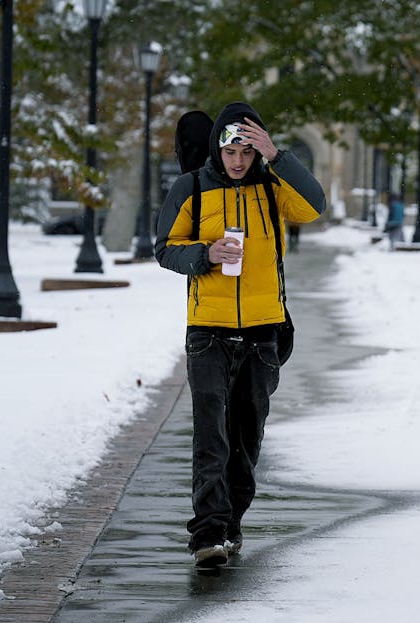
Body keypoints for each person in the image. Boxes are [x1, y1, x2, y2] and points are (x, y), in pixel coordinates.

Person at [155, 101, 326, 568]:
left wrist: (279, 156)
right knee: (211, 434)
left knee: (247, 437)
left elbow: (315, 206)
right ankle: (208, 532)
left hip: (262, 332)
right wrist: (205, 254)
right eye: (230, 150)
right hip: (207, 330)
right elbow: (165, 247)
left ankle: (231, 522)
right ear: (218, 149)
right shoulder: (192, 187)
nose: (237, 160)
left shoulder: (273, 188)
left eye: (246, 151)